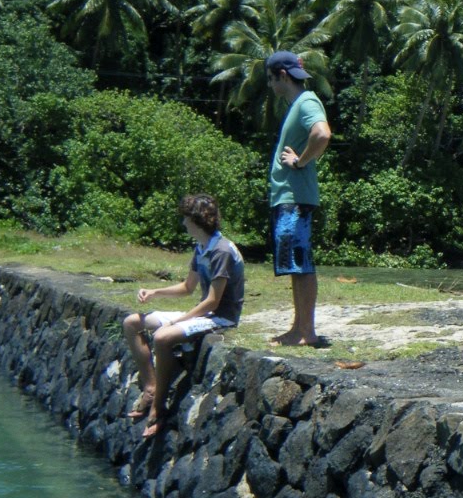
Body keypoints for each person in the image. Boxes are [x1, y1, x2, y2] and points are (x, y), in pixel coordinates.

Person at [123, 194, 245, 438]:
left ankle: (158, 406)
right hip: (205, 312)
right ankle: (150, 387)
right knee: (132, 323)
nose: (183, 224)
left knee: (161, 337)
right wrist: (155, 292)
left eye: (186, 219)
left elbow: (213, 301)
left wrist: (178, 321)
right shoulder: (201, 247)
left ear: (196, 220)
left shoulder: (220, 251)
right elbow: (188, 287)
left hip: (220, 317)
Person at [266, 50, 332, 347]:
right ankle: (300, 328)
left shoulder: (306, 102)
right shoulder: (297, 105)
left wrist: (299, 162)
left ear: (282, 75)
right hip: (290, 198)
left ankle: (306, 331)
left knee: (300, 262)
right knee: (296, 263)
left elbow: (322, 134)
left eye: (271, 79)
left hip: (295, 197)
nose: (270, 86)